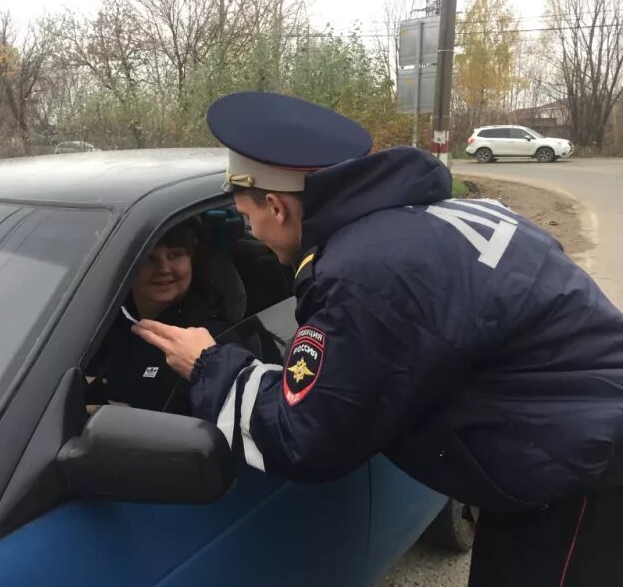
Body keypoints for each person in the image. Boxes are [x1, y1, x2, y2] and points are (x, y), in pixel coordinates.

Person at [133, 91, 623, 586]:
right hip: (567, 453)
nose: (251, 237)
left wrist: (208, 363)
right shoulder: (444, 216)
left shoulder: (364, 274)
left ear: (278, 207)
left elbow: (306, 437)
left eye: (247, 219)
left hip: (578, 481)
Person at [85, 220, 231, 415]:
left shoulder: (210, 337)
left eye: (175, 255)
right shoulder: (99, 320)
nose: (164, 268)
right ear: (126, 267)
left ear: (191, 260)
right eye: (149, 258)